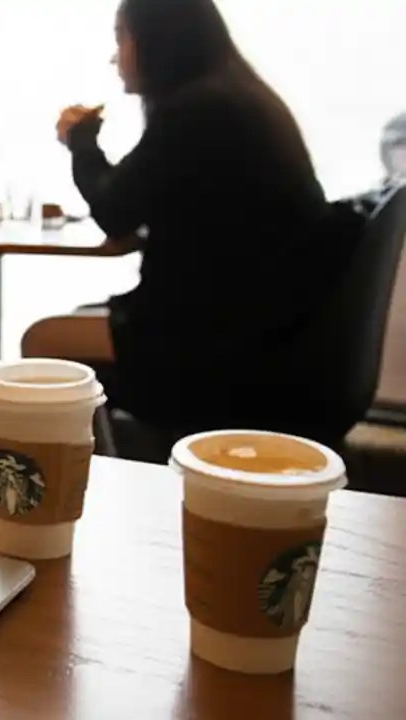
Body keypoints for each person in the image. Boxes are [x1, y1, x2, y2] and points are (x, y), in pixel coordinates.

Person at [23, 0, 345, 439]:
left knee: (42, 343)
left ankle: (64, 494)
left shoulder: (197, 111)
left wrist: (81, 144)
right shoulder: (239, 98)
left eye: (122, 36)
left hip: (220, 347)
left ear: (158, 39)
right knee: (77, 322)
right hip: (273, 331)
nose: (115, 54)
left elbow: (115, 212)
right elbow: (159, 202)